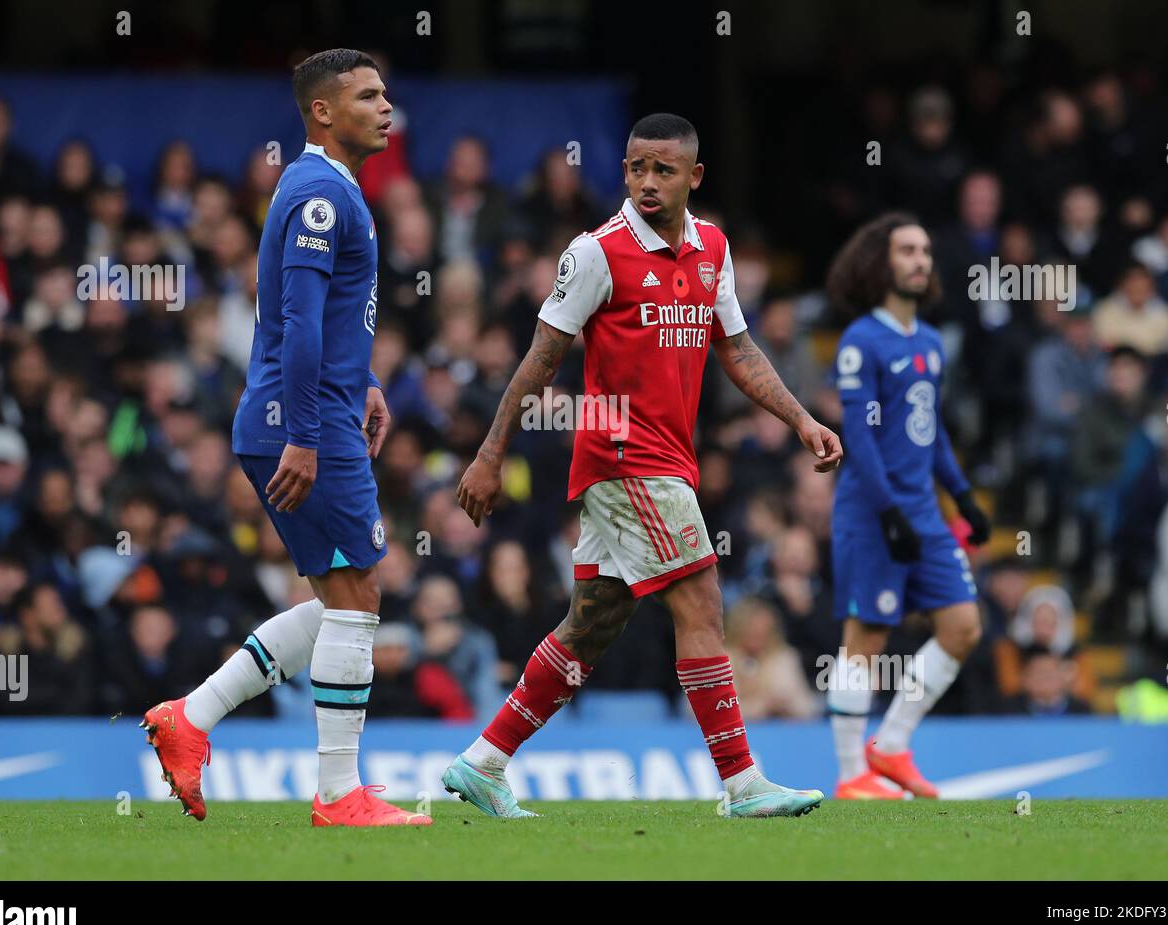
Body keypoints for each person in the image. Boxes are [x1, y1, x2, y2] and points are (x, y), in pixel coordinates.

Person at [445, 113, 842, 819]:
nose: (647, 182)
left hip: (669, 458)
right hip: (623, 454)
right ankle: (743, 786)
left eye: (663, 170)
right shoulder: (597, 252)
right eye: (635, 168)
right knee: (700, 600)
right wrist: (489, 455)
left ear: (695, 176)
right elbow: (541, 356)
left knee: (590, 626)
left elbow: (740, 351)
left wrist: (802, 418)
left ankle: (483, 762)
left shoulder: (712, 247)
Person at [139, 49, 429, 828]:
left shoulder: (327, 189)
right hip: (303, 424)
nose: (384, 105)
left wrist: (360, 378)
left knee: (345, 596)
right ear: (323, 112)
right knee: (360, 597)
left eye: (385, 92)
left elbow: (316, 322)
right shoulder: (321, 196)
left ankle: (190, 720)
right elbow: (296, 324)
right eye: (366, 95)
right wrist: (305, 432)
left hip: (318, 411)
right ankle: (338, 795)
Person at [824, 213, 991, 800]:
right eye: (907, 251)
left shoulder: (931, 341)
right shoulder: (861, 341)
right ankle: (850, 776)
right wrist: (890, 511)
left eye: (925, 250)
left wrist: (964, 497)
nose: (920, 260)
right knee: (866, 639)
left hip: (924, 510)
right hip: (873, 511)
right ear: (882, 262)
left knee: (962, 627)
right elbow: (861, 437)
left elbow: (930, 429)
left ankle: (891, 746)